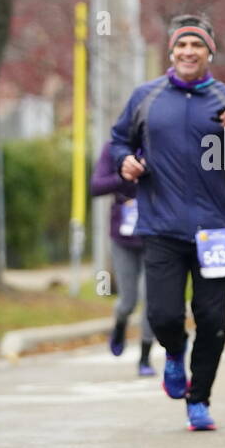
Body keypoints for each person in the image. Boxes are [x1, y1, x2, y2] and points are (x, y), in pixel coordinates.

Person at [109, 15, 225, 431]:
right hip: (160, 226)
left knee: (213, 322)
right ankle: (174, 353)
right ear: (172, 53)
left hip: (214, 229)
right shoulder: (147, 97)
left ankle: (199, 400)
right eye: (181, 47)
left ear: (209, 52)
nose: (188, 53)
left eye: (197, 46)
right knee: (162, 315)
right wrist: (124, 161)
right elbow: (119, 140)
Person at [90, 139, 155, 376]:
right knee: (128, 300)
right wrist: (124, 175)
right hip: (123, 237)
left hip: (155, 235)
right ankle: (119, 324)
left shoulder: (159, 143)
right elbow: (96, 186)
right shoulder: (113, 148)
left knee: (151, 299)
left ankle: (145, 357)